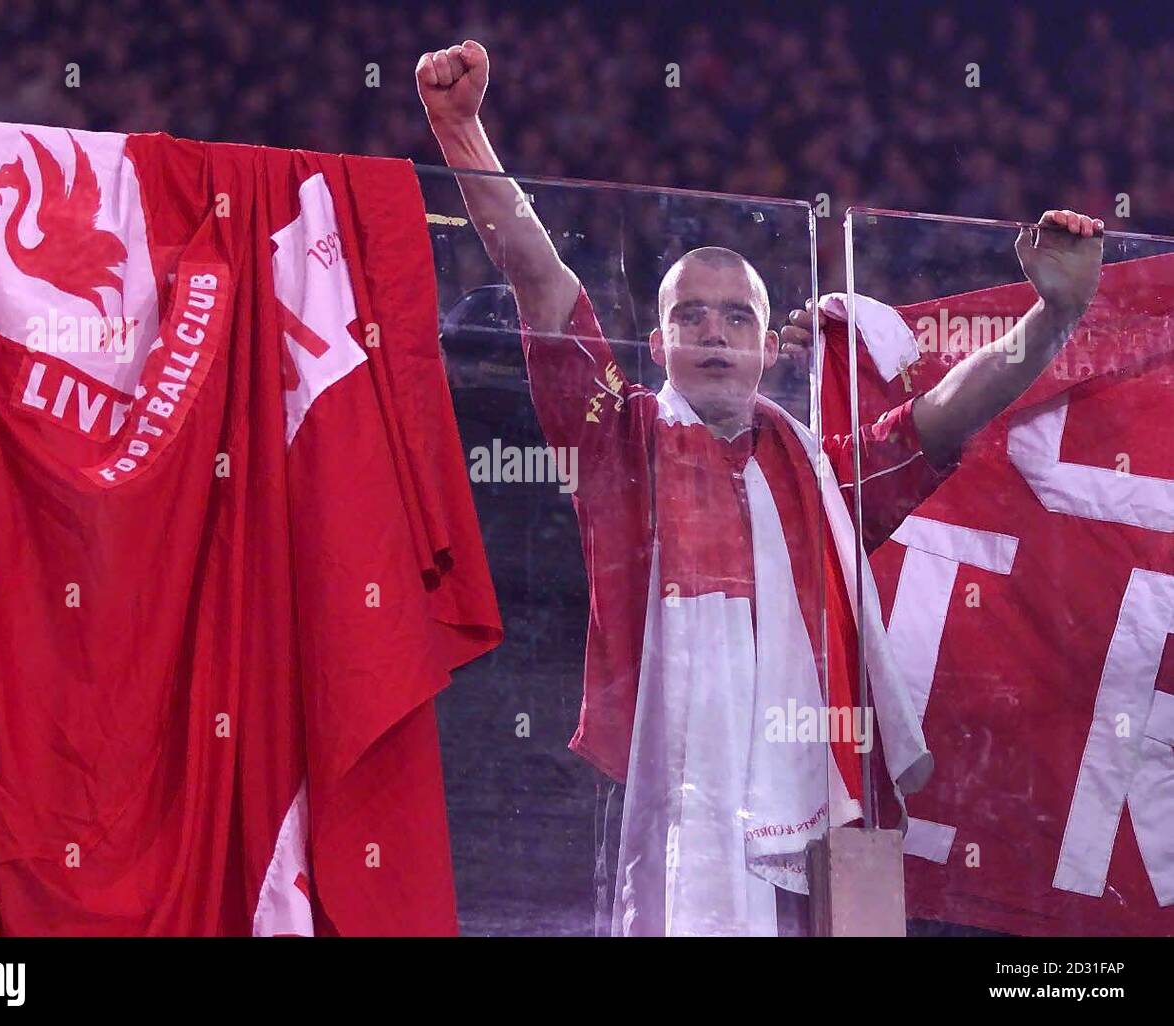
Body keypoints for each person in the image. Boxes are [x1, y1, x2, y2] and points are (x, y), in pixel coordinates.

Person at [417, 39, 1105, 936]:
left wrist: (1055, 316)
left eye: (736, 315)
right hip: (662, 809)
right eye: (687, 316)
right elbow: (541, 282)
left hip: (813, 821)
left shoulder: (813, 475)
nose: (712, 331)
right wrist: (465, 134)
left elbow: (942, 415)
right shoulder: (617, 438)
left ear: (765, 347)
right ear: (656, 347)